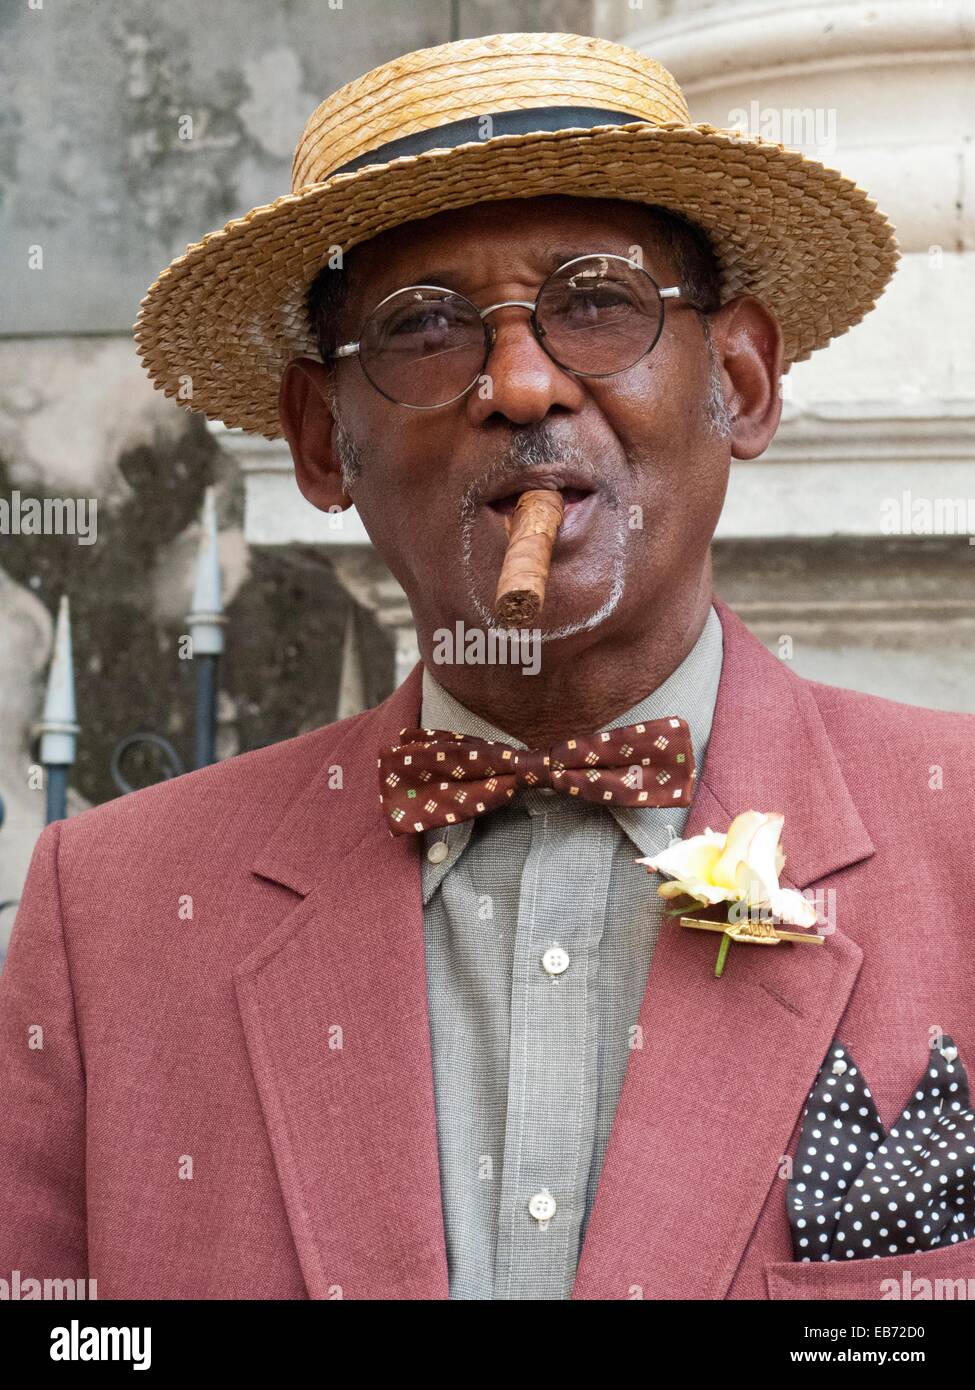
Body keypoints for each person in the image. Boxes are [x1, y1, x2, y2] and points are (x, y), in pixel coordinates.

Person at [1, 31, 972, 1302]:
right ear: (321, 441)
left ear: (739, 379)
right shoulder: (112, 912)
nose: (520, 384)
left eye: (598, 303)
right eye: (425, 328)